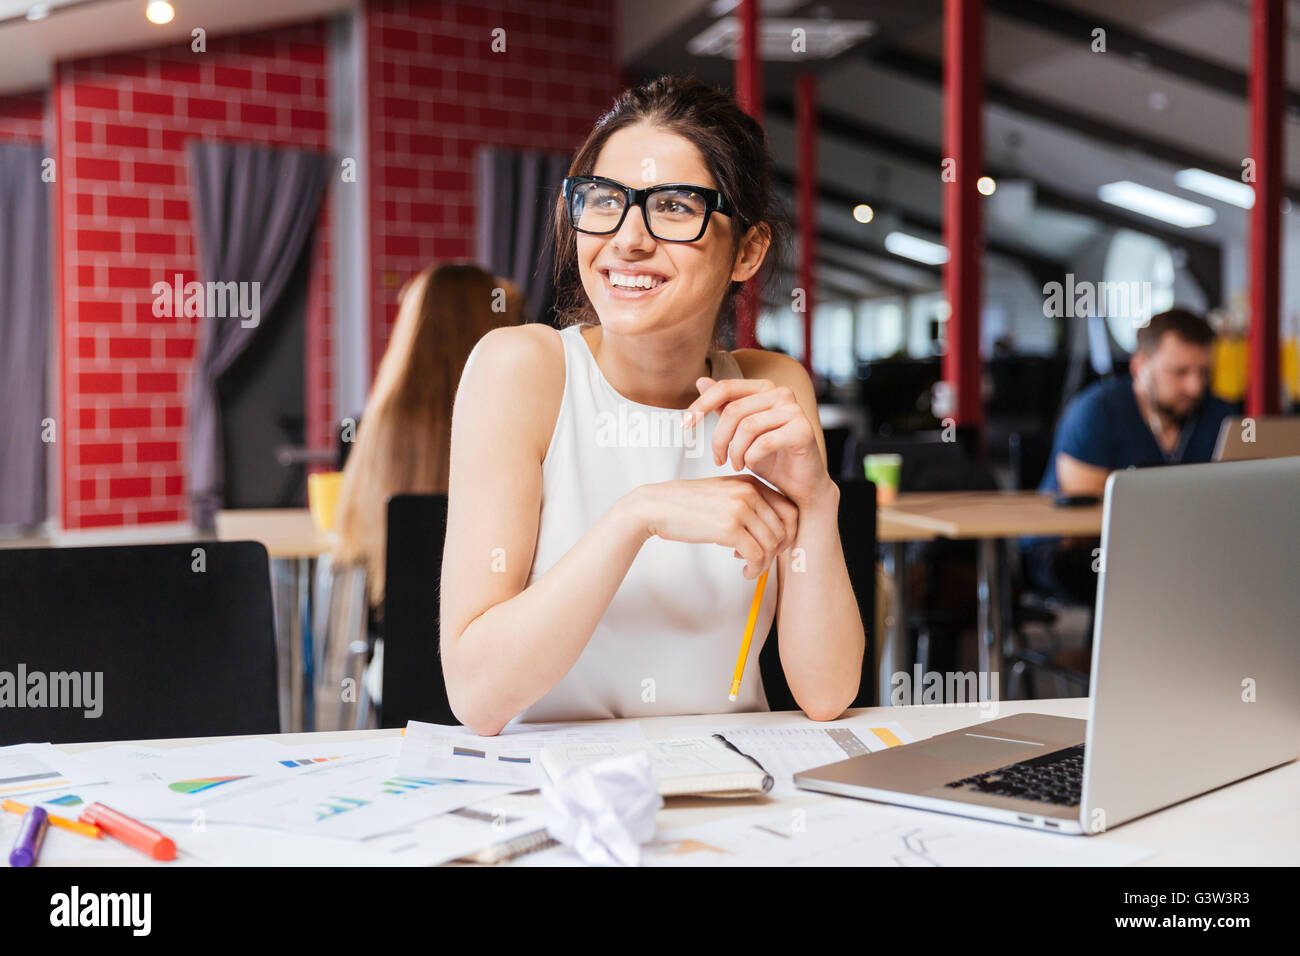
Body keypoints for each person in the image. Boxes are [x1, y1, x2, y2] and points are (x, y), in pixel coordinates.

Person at [440, 75, 866, 735]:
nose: (627, 239)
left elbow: (826, 693)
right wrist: (636, 516)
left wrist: (816, 501)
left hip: (733, 787)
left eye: (672, 206)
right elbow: (476, 695)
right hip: (555, 797)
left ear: (747, 250)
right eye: (605, 201)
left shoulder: (771, 388)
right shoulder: (521, 370)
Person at [334, 262, 524, 610]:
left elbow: (351, 539)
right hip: (497, 642)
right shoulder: (518, 421)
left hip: (394, 656)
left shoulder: (380, 423)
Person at [1024, 308, 1232, 604]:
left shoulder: (1218, 414)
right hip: (1072, 548)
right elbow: (1088, 515)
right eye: (1180, 372)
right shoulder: (1095, 411)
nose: (1195, 387)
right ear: (1140, 366)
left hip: (1174, 542)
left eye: (1203, 372)